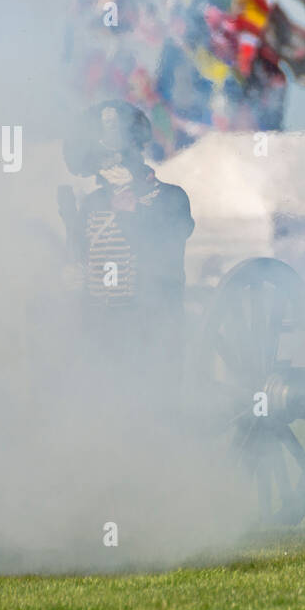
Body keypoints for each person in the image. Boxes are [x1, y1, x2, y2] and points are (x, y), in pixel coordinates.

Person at [59, 100, 194, 410]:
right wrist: (73, 272)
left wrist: (131, 213)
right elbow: (82, 260)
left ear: (136, 154)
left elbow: (165, 253)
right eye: (103, 162)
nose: (110, 169)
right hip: (100, 332)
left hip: (151, 331)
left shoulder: (170, 197)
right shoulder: (92, 204)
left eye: (116, 159)